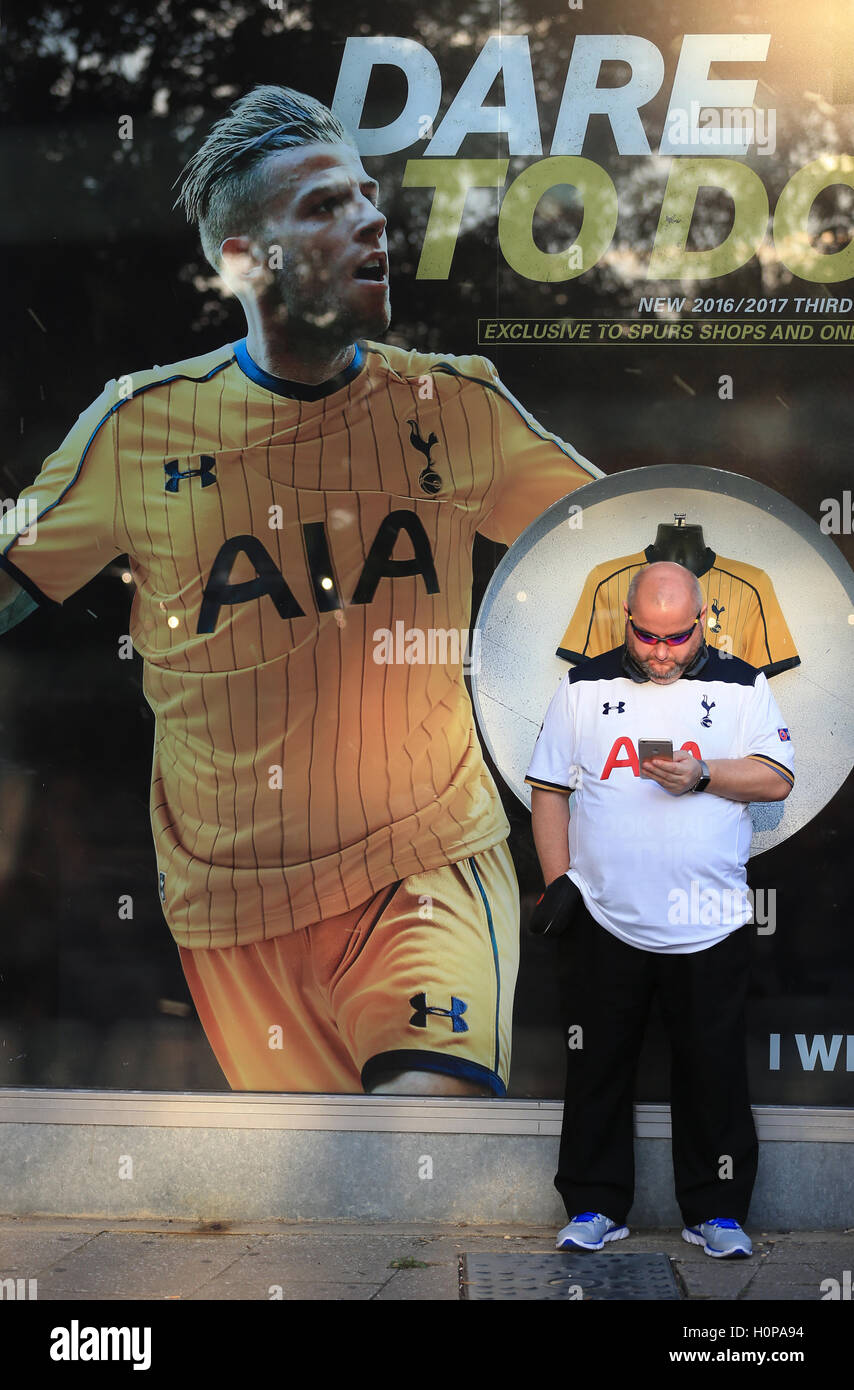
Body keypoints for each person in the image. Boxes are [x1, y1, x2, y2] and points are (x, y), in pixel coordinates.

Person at [0, 85, 601, 1098]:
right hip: (231, 910)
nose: (370, 217)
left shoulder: (454, 405)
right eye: (324, 204)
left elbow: (626, 545)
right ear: (242, 258)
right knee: (333, 1215)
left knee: (421, 1134)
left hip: (424, 865)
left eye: (368, 195)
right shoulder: (135, 427)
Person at [525, 561, 794, 1256]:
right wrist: (560, 882)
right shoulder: (583, 685)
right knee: (596, 1069)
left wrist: (704, 772)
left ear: (701, 621)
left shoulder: (742, 684)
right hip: (606, 916)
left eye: (676, 638)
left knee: (713, 1073)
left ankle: (718, 1213)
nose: (662, 652)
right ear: (628, 622)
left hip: (710, 921)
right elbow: (550, 788)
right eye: (648, 637)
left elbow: (776, 777)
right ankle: (592, 1207)